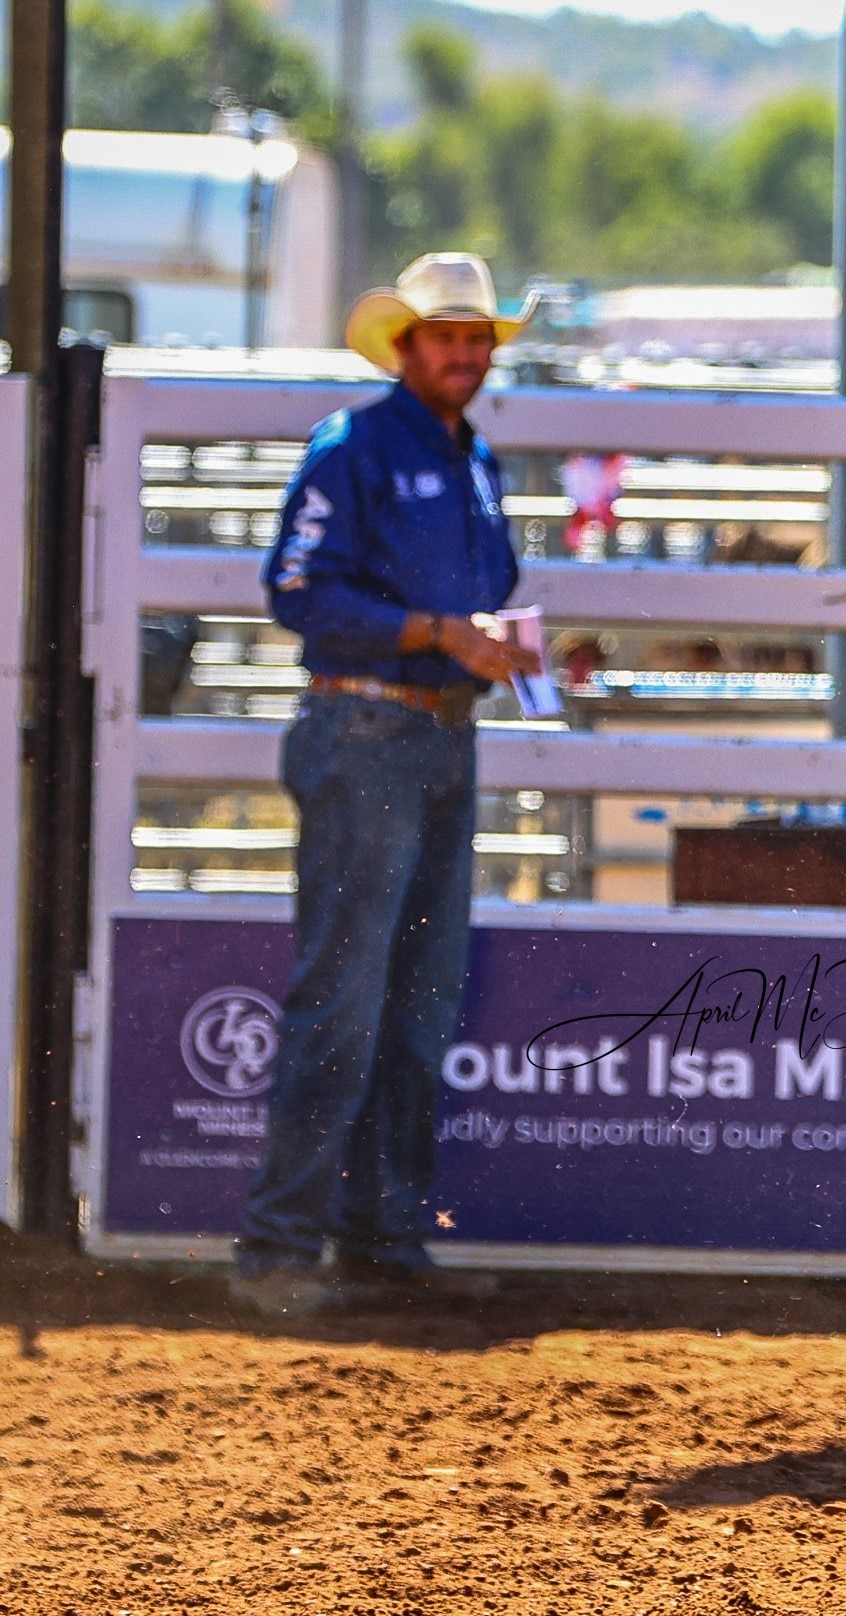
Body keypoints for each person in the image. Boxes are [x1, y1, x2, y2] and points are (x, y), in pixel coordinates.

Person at [233, 253, 545, 1315]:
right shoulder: (357, 446)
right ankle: (286, 1244)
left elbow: (350, 589)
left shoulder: (467, 457)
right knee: (350, 996)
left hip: (428, 732)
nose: (463, 352)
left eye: (475, 337)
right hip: (368, 727)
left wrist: (489, 641)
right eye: (446, 335)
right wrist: (437, 632)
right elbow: (295, 590)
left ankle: (375, 1233)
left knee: (411, 1000)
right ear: (407, 344)